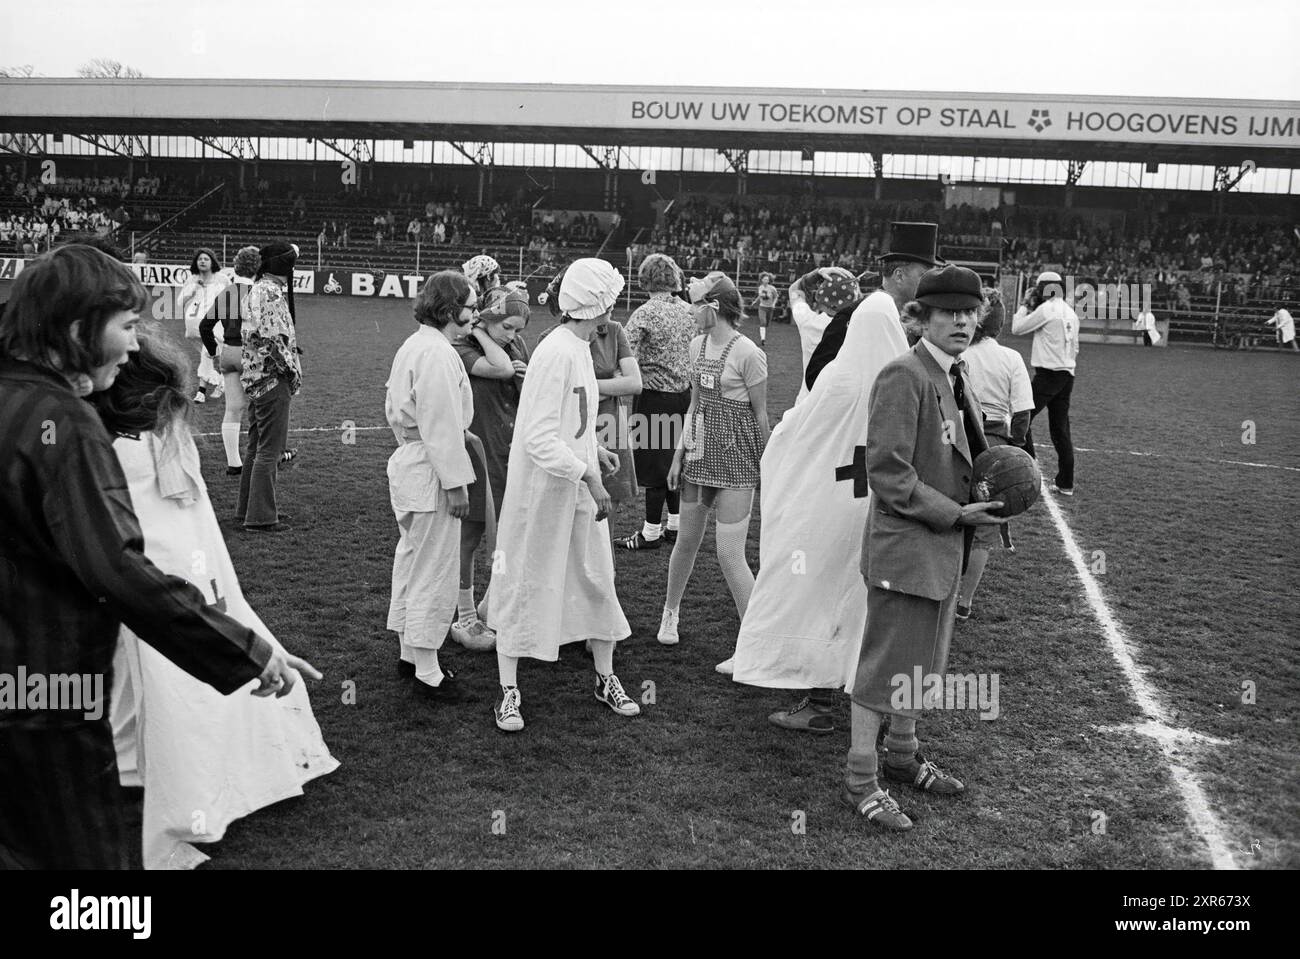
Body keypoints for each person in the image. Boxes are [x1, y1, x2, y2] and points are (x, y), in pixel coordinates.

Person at [0, 244, 316, 870]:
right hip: (47, 687)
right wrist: (246, 652)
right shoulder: (64, 421)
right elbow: (119, 569)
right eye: (125, 326)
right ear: (76, 330)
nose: (132, 344)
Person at [93, 335, 337, 870]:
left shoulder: (115, 444)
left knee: (156, 688)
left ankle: (150, 774)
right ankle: (154, 774)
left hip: (153, 580)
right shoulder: (143, 439)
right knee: (162, 688)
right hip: (165, 578)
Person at [842, 265, 1001, 832]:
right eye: (948, 311)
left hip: (942, 548)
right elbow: (887, 472)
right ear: (921, 318)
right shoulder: (903, 375)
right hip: (908, 548)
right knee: (884, 667)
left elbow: (958, 458)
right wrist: (954, 512)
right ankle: (862, 778)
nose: (961, 319)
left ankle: (903, 756)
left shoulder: (955, 374)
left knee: (924, 664)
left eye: (969, 311)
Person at [725, 268, 909, 733]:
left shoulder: (841, 379)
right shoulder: (905, 382)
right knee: (867, 602)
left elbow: (801, 430)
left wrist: (783, 452)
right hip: (879, 507)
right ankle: (879, 707)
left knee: (820, 588)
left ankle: (819, 698)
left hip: (834, 501)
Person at [488, 258, 640, 733]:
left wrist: (596, 451)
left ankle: (605, 676)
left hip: (575, 488)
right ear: (599, 304)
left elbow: (572, 420)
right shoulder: (556, 353)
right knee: (525, 583)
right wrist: (589, 477)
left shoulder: (579, 345)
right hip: (542, 498)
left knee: (596, 577)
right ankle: (508, 691)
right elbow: (536, 438)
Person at [657, 272, 770, 645]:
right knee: (685, 541)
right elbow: (695, 406)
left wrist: (766, 467)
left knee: (729, 555)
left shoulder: (749, 353)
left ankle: (754, 641)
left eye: (696, 303)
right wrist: (678, 456)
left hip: (737, 458)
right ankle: (670, 613)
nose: (691, 310)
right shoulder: (695, 346)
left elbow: (760, 416)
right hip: (700, 452)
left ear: (714, 307)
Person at [384, 271, 479, 697]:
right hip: (430, 467)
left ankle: (410, 653)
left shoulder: (415, 344)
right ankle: (427, 668)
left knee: (412, 559)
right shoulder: (437, 353)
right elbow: (440, 424)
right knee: (434, 568)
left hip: (412, 462)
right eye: (470, 307)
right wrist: (456, 485)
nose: (475, 314)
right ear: (449, 309)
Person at [450, 287, 531, 652]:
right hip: (476, 453)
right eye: (508, 328)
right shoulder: (464, 346)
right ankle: (465, 615)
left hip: (509, 451)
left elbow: (520, 389)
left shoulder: (516, 346)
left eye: (518, 329)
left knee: (507, 537)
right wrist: (482, 331)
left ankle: (490, 604)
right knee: (469, 536)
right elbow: (498, 369)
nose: (515, 336)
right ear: (488, 318)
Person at [955, 289, 1033, 620]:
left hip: (956, 440)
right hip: (996, 443)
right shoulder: (1011, 358)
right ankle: (965, 601)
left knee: (950, 516)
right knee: (984, 531)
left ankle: (941, 594)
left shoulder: (958, 353)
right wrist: (1014, 451)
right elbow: (1023, 413)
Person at [617, 252, 695, 551]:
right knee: (677, 460)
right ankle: (674, 525)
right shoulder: (690, 311)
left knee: (654, 465)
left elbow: (625, 355)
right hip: (686, 396)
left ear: (645, 279)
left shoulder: (645, 313)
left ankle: (650, 532)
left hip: (654, 398)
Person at [805, 223, 943, 391]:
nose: (931, 281)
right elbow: (816, 376)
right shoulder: (855, 314)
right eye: (924, 275)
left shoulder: (921, 320)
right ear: (899, 275)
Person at [237, 241, 303, 532]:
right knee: (270, 450)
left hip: (255, 376)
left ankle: (248, 510)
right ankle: (261, 517)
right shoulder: (272, 293)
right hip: (272, 377)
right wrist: (291, 373)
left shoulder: (258, 289)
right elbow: (274, 339)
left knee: (256, 447)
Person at [1012, 270, 1080, 495]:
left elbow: (1017, 328)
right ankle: (1066, 482)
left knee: (1021, 418)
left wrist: (1024, 303)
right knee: (1060, 428)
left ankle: (1030, 471)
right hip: (1066, 373)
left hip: (1048, 374)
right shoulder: (1070, 311)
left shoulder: (1047, 309)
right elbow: (1075, 347)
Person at [200, 245, 259, 475]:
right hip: (252, 354)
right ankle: (266, 458)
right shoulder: (259, 293)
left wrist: (214, 351)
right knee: (261, 408)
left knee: (233, 409)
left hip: (229, 352)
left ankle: (234, 463)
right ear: (257, 268)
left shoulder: (226, 292)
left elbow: (206, 325)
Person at [178, 247, 227, 404]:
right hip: (193, 328)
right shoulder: (192, 280)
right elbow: (180, 303)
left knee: (207, 353)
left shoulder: (222, 279)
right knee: (212, 355)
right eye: (200, 259)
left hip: (215, 323)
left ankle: (201, 391)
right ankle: (222, 380)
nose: (203, 261)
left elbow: (232, 299)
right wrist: (193, 289)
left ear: (212, 262)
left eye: (206, 259)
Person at [786, 267, 835, 405]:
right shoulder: (859, 327)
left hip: (806, 405)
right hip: (841, 411)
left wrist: (817, 273)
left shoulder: (809, 322)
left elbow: (794, 289)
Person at [755, 272, 777, 349]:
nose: (765, 280)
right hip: (762, 307)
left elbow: (775, 297)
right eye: (764, 279)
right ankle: (763, 339)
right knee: (763, 322)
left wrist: (773, 304)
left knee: (767, 324)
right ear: (761, 280)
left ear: (769, 280)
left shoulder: (772, 288)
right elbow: (760, 295)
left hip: (770, 308)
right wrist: (755, 301)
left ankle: (763, 335)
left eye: (767, 279)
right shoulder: (760, 287)